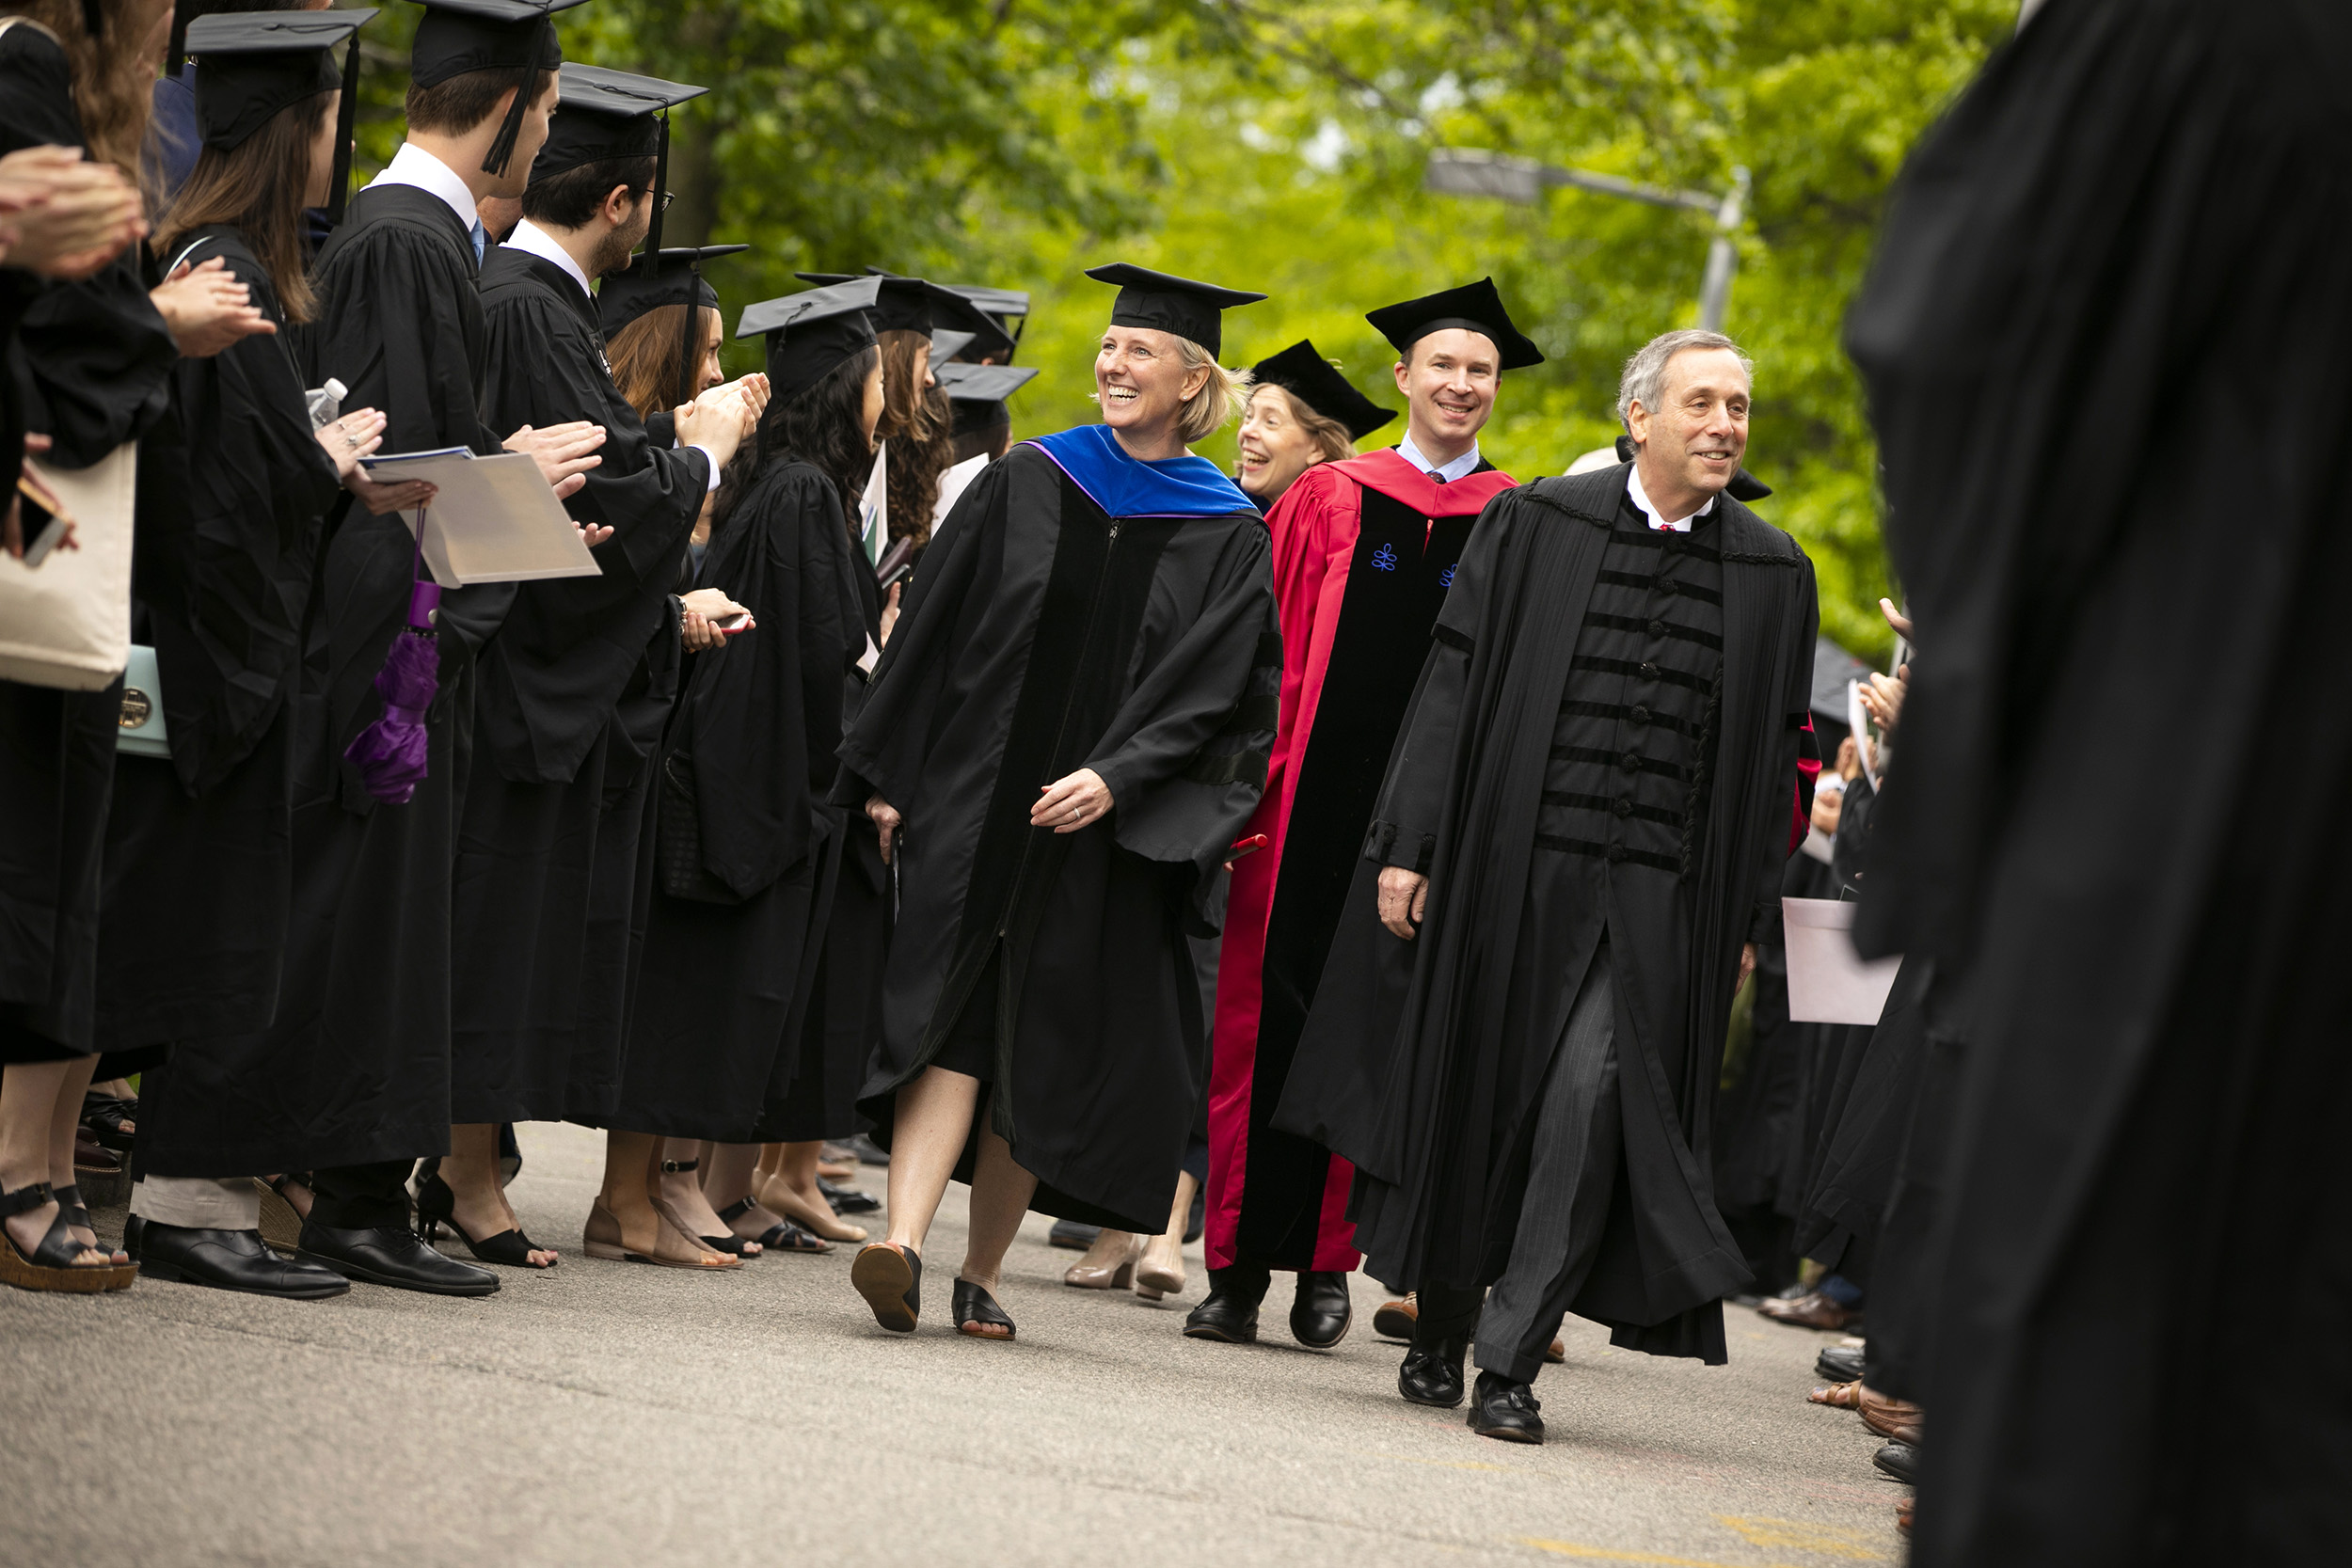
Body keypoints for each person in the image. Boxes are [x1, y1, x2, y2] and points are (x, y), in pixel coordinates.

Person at [1845, 1, 2352, 1559]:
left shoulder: (2218, 27)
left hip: (2189, 779)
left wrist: (2005, 674)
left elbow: (1953, 327)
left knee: (2110, 1297)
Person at [1279, 328, 1819, 1443]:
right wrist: (1406, 845)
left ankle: (1512, 1356)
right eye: (1704, 402)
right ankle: (1443, 1319)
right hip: (1511, 874)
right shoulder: (1536, 526)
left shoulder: (1774, 573)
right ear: (1641, 418)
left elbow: (1776, 760)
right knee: (1483, 1099)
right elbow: (1451, 687)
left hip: (1661, 901)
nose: (1726, 423)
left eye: (1739, 407)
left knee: (1589, 1103)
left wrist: (1753, 913)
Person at [217, 0, 601, 1298]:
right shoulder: (404, 244)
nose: (544, 144)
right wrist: (515, 477)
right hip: (377, 661)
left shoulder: (421, 240)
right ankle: (348, 1197)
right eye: (544, 116)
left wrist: (511, 486)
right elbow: (386, 476)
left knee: (391, 928)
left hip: (408, 650)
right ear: (508, 107)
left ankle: (368, 1197)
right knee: (357, 918)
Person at [837, 261, 1281, 1342]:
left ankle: (980, 1269)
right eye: (1110, 345)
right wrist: (894, 772)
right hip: (974, 798)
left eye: (1141, 350)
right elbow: (935, 627)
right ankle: (898, 1241)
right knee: (947, 1007)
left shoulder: (1228, 532)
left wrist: (1120, 776)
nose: (1113, 362)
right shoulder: (1029, 476)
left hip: (1100, 831)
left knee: (1040, 1041)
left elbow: (1227, 702)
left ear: (1191, 380)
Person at [94, 6, 446, 1299]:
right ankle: (186, 1209)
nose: (337, 146)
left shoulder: (231, 261)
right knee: (193, 935)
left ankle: (200, 1203)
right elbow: (222, 497)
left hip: (227, 654)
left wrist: (320, 468)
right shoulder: (219, 269)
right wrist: (327, 471)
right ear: (290, 130)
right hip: (204, 665)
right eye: (326, 120)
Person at [441, 62, 764, 1270]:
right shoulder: (533, 302)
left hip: (528, 669)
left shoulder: (533, 298)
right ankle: (468, 1178)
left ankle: (472, 1172)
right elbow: (620, 494)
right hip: (516, 683)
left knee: (496, 934)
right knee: (488, 932)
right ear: (625, 201)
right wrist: (705, 452)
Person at [1193, 301, 1532, 1352]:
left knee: (1374, 1039)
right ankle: (1238, 1261)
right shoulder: (1330, 495)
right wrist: (1245, 794)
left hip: (1422, 831)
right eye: (1443, 364)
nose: (1461, 383)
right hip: (1302, 809)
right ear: (1401, 376)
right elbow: (1267, 657)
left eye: (1479, 369)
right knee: (1266, 1025)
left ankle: (1326, 1262)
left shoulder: (1517, 517)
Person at [602, 279, 875, 1267]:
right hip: (746, 780)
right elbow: (804, 653)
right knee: (697, 998)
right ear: (846, 390)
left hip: (751, 773)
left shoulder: (794, 487)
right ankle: (646, 1194)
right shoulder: (802, 491)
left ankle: (657, 1192)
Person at [0, 0, 178, 1293]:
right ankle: (18, 1166)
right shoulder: (24, 75)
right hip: (33, 532)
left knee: (60, 855)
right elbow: (82, 328)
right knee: (30, 848)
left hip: (51, 542)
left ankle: (43, 1160)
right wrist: (158, 328)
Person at [1230, 337, 1391, 510]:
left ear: (1318, 448)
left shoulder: (1347, 524)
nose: (1247, 430)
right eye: (1248, 416)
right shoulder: (1219, 511)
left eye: (1271, 422)